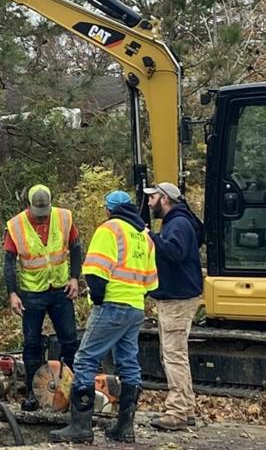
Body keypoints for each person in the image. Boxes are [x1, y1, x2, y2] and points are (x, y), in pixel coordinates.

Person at [50, 190, 157, 444]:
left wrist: (98, 299)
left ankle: (81, 427)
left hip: (112, 305)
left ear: (109, 209)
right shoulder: (144, 236)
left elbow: (96, 273)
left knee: (85, 359)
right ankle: (125, 428)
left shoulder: (109, 230)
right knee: (129, 363)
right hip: (135, 307)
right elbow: (151, 283)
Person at [3, 184, 81, 411]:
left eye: (44, 213)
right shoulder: (16, 225)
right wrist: (13, 293)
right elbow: (8, 263)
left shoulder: (64, 217)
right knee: (32, 344)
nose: (42, 217)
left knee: (69, 340)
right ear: (29, 206)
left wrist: (74, 278)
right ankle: (33, 395)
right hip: (32, 292)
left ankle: (67, 393)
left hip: (60, 289)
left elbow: (76, 248)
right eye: (38, 213)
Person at [144, 181, 204, 431]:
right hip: (177, 297)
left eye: (153, 197)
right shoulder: (178, 221)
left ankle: (177, 411)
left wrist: (151, 238)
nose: (149, 202)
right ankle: (185, 408)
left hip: (177, 299)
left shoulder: (177, 223)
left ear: (165, 199)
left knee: (173, 356)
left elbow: (175, 253)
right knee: (175, 354)